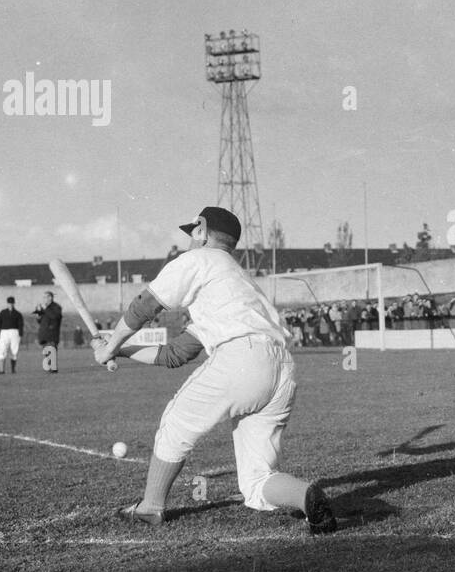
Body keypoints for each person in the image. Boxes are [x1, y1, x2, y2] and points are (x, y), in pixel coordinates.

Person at [92, 205, 336, 534]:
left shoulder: (198, 260)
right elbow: (175, 354)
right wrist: (119, 348)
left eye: (193, 231)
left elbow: (145, 305)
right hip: (281, 370)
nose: (190, 239)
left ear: (204, 231)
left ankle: (150, 508)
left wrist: (110, 343)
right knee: (256, 483)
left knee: (175, 423)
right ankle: (308, 497)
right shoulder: (234, 281)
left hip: (242, 359)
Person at [33, 291, 64, 374]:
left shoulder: (56, 307)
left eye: (45, 297)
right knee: (46, 352)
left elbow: (55, 317)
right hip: (44, 333)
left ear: (50, 297)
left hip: (52, 333)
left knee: (51, 349)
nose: (44, 299)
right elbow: (41, 321)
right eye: (43, 297)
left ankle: (53, 369)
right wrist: (38, 316)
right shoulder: (44, 308)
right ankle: (51, 368)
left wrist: (45, 309)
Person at [0, 296, 23, 374]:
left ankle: (13, 369)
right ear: (7, 303)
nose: (10, 305)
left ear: (14, 303)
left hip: (15, 332)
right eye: (9, 303)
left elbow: (21, 325)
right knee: (1, 349)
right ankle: (1, 370)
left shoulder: (18, 314)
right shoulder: (3, 312)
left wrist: (20, 335)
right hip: (4, 332)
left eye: (11, 303)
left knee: (14, 350)